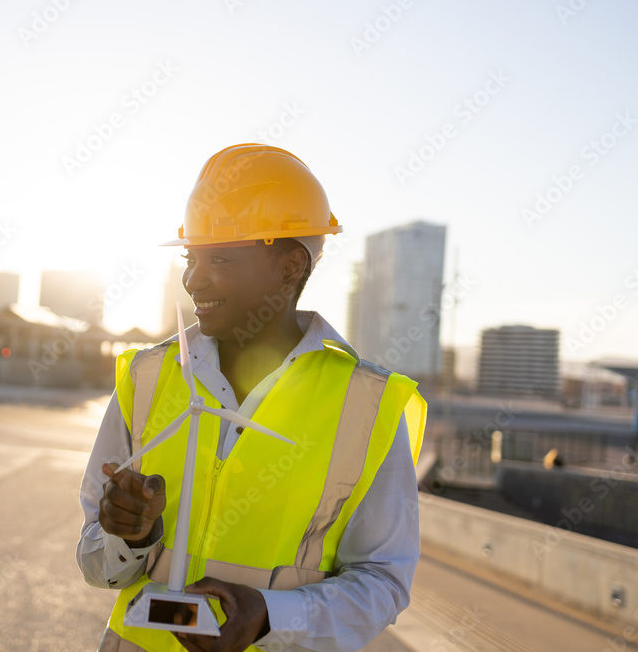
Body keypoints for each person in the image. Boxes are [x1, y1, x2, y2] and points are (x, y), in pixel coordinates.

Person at [77, 144, 426, 652]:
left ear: (289, 268)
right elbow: (93, 563)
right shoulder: (148, 377)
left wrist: (270, 617)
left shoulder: (366, 403)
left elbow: (383, 583)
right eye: (190, 257)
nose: (193, 279)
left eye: (219, 258)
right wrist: (128, 538)